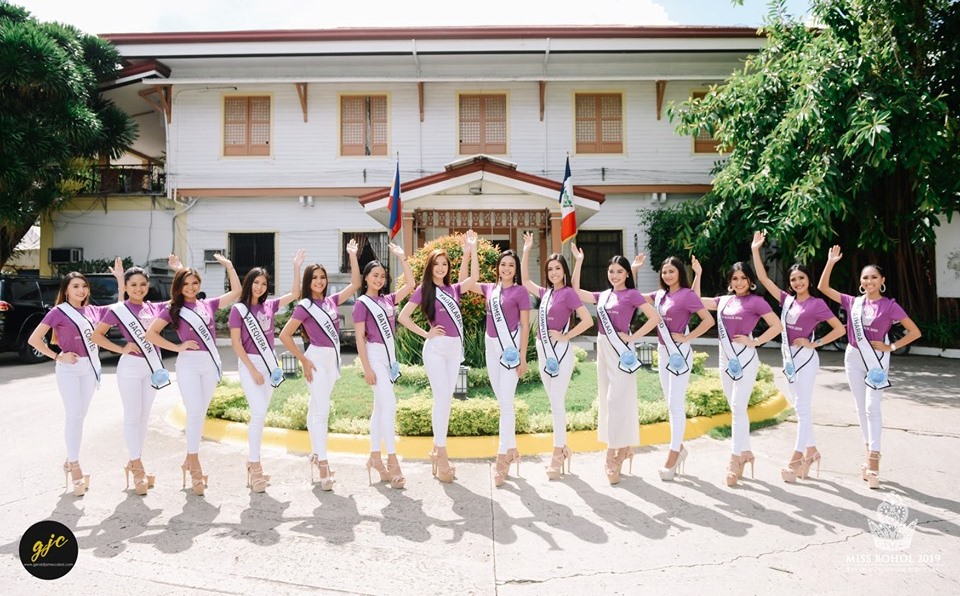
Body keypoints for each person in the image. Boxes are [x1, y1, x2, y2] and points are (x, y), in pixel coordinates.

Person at [817, 245, 921, 489]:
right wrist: (831, 261)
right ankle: (868, 453)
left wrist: (892, 347)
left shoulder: (890, 306)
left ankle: (874, 458)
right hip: (853, 356)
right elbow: (823, 288)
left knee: (872, 406)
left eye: (874, 277)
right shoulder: (853, 302)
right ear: (861, 282)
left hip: (877, 359)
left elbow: (915, 331)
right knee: (860, 408)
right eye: (866, 277)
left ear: (882, 280)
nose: (869, 280)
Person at [751, 232, 845, 483]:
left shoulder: (817, 304)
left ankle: (796, 459)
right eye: (793, 279)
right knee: (800, 409)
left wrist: (816, 342)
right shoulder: (787, 300)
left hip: (805, 359)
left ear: (808, 280)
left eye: (801, 278)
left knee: (802, 410)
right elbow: (762, 278)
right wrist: (755, 250)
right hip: (789, 361)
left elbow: (840, 329)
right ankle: (812, 452)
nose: (797, 282)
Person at [146, 254, 241, 496]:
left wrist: (230, 266)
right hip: (188, 364)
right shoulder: (173, 309)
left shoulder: (207, 305)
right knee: (195, 411)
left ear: (199, 285)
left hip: (209, 364)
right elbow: (151, 334)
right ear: (178, 287)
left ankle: (189, 459)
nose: (190, 288)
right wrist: (178, 347)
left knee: (200, 413)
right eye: (185, 284)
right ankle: (195, 463)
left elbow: (236, 293)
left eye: (194, 283)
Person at [28, 262, 124, 496]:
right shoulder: (58, 312)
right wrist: (58, 356)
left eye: (84, 286)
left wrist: (120, 280)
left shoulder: (93, 311)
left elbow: (120, 306)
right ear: (67, 290)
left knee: (80, 416)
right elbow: (34, 339)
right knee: (73, 416)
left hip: (90, 369)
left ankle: (69, 458)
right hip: (69, 369)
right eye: (75, 286)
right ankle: (75, 464)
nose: (81, 290)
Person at [91, 255, 184, 495]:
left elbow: (179, 298)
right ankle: (138, 468)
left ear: (148, 286)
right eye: (133, 285)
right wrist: (121, 348)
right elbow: (97, 336)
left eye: (143, 284)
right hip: (130, 368)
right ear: (127, 287)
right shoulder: (118, 310)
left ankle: (135, 461)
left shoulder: (155, 307)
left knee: (143, 418)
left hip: (152, 369)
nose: (139, 289)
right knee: (133, 416)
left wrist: (179, 271)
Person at [571, 246, 660, 485]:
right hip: (604, 347)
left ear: (627, 274)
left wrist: (632, 337)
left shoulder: (632, 295)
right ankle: (624, 447)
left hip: (622, 352)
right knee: (608, 400)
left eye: (620, 271)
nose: (614, 274)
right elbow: (576, 291)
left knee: (616, 400)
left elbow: (654, 318)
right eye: (611, 271)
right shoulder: (603, 296)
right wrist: (579, 261)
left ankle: (612, 454)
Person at [398, 232, 479, 483]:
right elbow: (403, 317)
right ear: (430, 267)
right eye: (437, 264)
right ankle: (441, 453)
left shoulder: (454, 289)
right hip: (435, 350)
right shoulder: (425, 290)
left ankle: (437, 448)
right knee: (442, 398)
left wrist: (472, 250)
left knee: (446, 400)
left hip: (454, 350)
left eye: (444, 264)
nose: (441, 268)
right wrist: (427, 333)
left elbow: (473, 277)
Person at [279, 242, 360, 490]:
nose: (319, 281)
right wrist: (304, 360)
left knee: (316, 407)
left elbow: (356, 284)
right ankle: (323, 463)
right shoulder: (305, 306)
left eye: (322, 277)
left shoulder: (332, 302)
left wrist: (352, 256)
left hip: (331, 361)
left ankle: (315, 454)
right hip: (315, 359)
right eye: (314, 277)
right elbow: (284, 335)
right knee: (322, 411)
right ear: (308, 280)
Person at [228, 250, 305, 492]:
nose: (260, 287)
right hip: (250, 364)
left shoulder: (270, 306)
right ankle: (254, 464)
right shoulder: (237, 311)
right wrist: (252, 370)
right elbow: (236, 344)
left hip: (269, 365)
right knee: (259, 412)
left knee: (260, 417)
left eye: (264, 284)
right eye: (256, 283)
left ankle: (254, 462)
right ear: (248, 283)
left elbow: (294, 294)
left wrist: (296, 267)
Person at [700, 261, 783, 487]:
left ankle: (735, 459)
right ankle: (746, 452)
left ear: (750, 281)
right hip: (725, 359)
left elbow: (777, 326)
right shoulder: (724, 301)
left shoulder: (757, 301)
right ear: (730, 282)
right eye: (734, 279)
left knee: (738, 407)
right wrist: (698, 273)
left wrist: (755, 341)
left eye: (743, 278)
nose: (738, 282)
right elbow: (696, 301)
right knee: (736, 409)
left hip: (745, 358)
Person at [520, 232, 593, 480]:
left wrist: (566, 335)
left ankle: (557, 452)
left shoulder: (570, 293)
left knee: (557, 403)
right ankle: (562, 448)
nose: (553, 272)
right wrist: (527, 249)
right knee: (554, 402)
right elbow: (526, 279)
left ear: (564, 271)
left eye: (557, 268)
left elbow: (587, 320)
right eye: (550, 269)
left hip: (560, 353)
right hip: (543, 351)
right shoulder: (545, 293)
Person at [640, 255, 714, 481]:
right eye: (664, 272)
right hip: (662, 353)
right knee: (669, 404)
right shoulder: (660, 295)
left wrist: (688, 337)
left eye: (671, 271)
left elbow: (707, 320)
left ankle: (673, 455)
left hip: (679, 354)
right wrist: (632, 270)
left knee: (676, 403)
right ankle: (679, 448)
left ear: (680, 272)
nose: (667, 275)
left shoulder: (687, 295)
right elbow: (635, 298)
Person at [464, 240, 530, 488]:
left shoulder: (521, 292)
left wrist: (522, 357)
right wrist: (471, 252)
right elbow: (465, 281)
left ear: (516, 269)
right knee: (502, 401)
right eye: (503, 264)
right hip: (491, 348)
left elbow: (524, 326)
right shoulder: (490, 289)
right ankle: (512, 449)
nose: (506, 268)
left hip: (510, 351)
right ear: (498, 267)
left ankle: (502, 456)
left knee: (506, 402)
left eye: (511, 265)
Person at [354, 244, 415, 489]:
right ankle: (392, 461)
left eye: (382, 276)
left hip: (389, 358)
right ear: (366, 277)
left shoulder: (389, 299)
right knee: (389, 405)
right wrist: (367, 368)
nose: (379, 279)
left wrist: (403, 259)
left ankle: (374, 457)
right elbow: (359, 338)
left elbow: (410, 285)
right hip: (374, 356)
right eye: (374, 275)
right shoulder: (361, 304)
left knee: (380, 409)